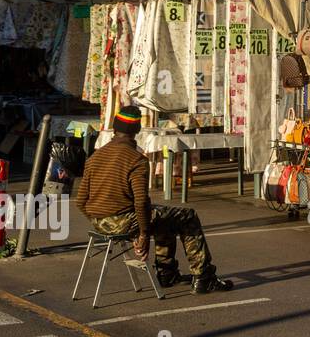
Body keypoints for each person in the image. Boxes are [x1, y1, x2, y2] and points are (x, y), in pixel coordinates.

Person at [74, 105, 234, 294]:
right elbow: (140, 202)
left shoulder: (95, 157)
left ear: (114, 129)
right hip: (126, 219)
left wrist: (100, 219)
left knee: (165, 216)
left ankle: (167, 273)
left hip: (99, 222)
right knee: (188, 216)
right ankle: (203, 276)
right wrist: (141, 234)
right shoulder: (136, 159)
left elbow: (80, 201)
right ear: (137, 131)